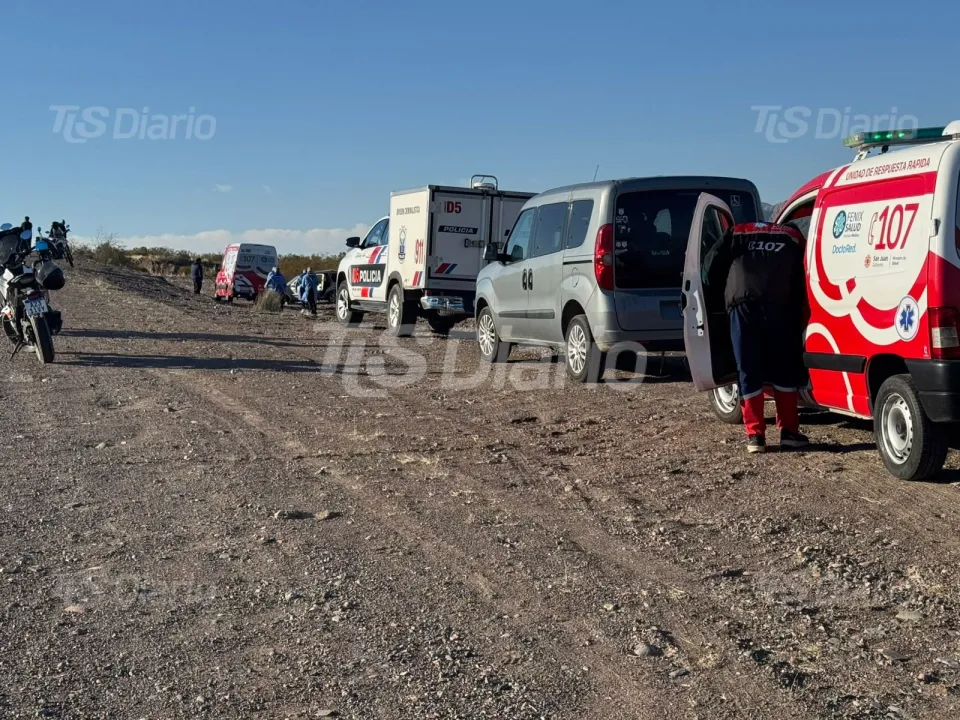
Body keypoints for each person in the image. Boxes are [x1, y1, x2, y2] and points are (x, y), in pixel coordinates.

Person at [704, 221, 810, 454]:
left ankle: (755, 436)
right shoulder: (792, 235)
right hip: (781, 305)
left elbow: (711, 265)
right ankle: (789, 433)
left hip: (742, 304)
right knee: (784, 369)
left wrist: (715, 299)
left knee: (747, 368)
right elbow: (809, 269)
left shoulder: (737, 231)